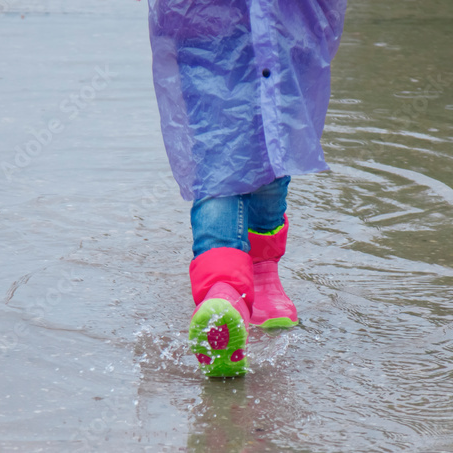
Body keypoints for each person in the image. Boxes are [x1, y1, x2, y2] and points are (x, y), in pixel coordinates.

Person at [147, 0, 347, 377]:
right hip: (209, 23)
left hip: (287, 21)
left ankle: (261, 272)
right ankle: (223, 292)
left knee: (272, 142)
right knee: (217, 155)